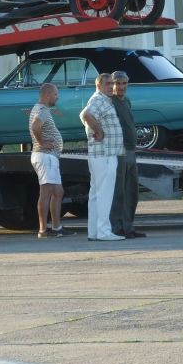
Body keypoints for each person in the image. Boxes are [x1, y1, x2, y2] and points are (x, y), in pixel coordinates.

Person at [79, 72, 126, 241]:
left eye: (112, 83)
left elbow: (83, 114)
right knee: (104, 194)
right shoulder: (99, 99)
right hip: (104, 153)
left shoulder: (101, 99)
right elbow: (85, 115)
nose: (111, 86)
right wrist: (98, 130)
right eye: (107, 84)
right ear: (98, 85)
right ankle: (104, 231)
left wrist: (97, 128)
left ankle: (94, 231)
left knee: (96, 194)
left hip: (102, 153)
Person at [29, 83, 71, 238]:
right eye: (55, 94)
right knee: (46, 192)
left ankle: (56, 227)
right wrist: (42, 143)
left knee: (58, 191)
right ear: (47, 94)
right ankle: (43, 230)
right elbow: (35, 126)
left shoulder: (42, 109)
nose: (57, 97)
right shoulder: (42, 110)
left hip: (50, 156)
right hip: (44, 155)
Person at [108, 71, 145, 239]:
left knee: (132, 190)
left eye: (124, 83)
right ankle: (117, 227)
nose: (121, 87)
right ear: (112, 84)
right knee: (119, 190)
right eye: (118, 83)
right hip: (119, 150)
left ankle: (128, 226)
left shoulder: (126, 101)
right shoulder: (110, 102)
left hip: (131, 149)